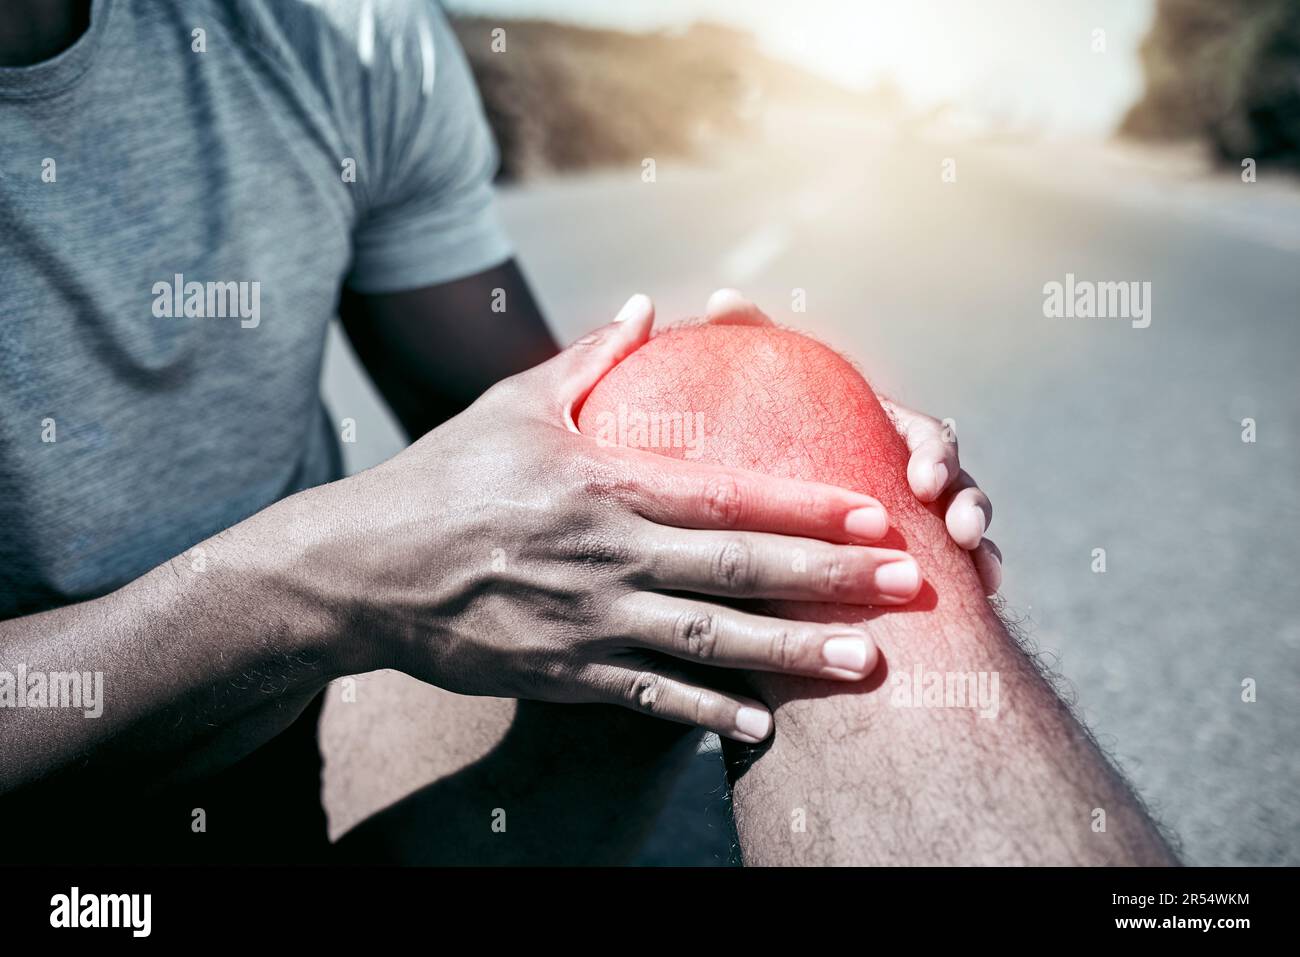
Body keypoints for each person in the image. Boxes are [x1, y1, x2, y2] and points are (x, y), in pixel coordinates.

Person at [0, 0, 999, 863]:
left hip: (271, 728)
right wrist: (311, 583)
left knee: (744, 447)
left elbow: (543, 450)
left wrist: (770, 418)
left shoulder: (323, 30)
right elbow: (321, 585)